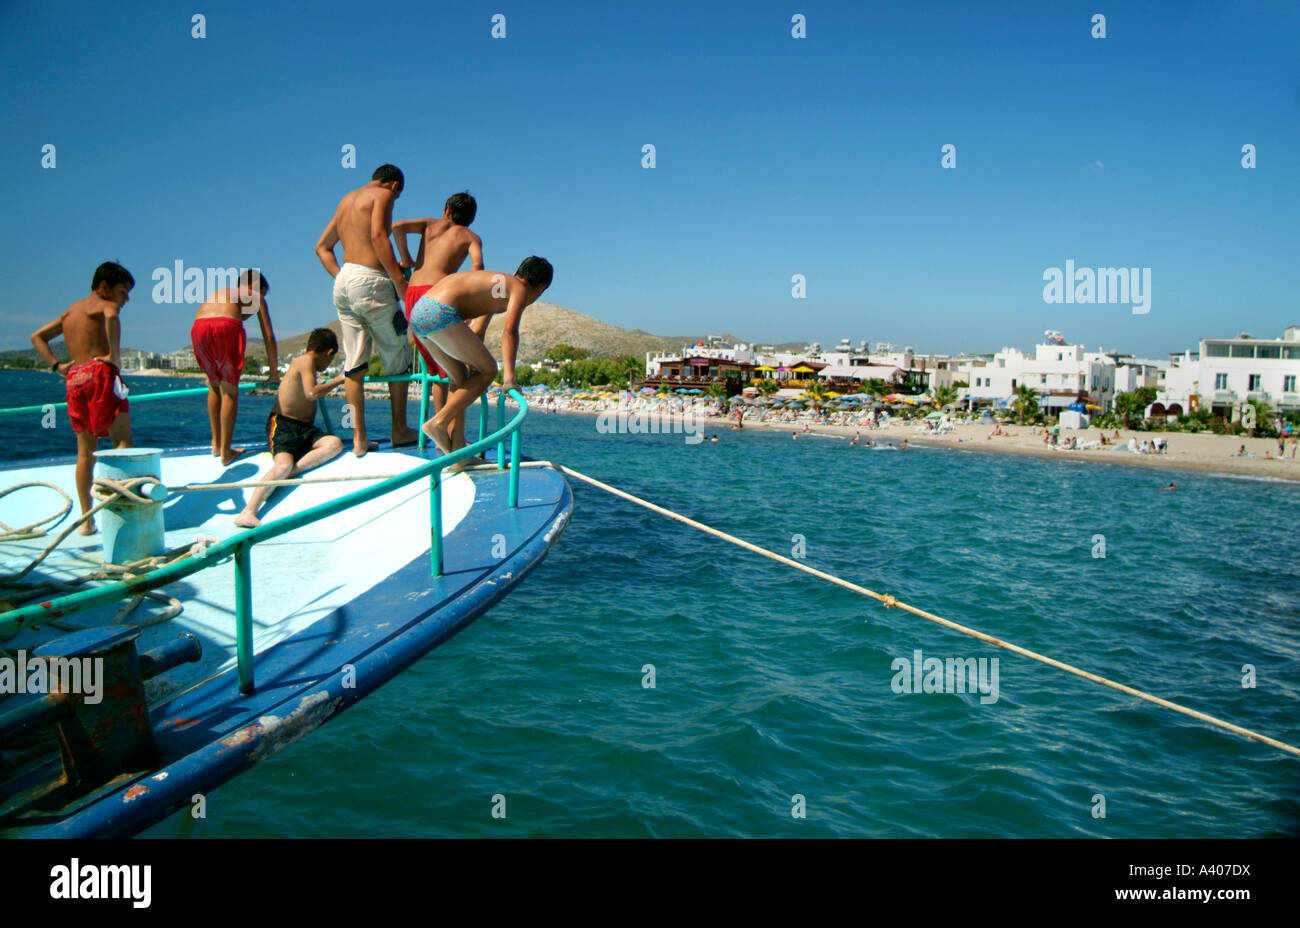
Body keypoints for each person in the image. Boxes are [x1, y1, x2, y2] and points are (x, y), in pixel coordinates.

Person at [315, 164, 418, 456]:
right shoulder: (382, 195)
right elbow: (378, 237)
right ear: (394, 185)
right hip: (371, 280)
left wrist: (345, 278)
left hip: (345, 280)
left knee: (354, 363)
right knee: (398, 354)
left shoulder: (345, 201)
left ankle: (359, 438)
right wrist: (398, 281)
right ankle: (399, 429)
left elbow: (322, 247)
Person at [408, 258, 553, 459]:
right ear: (541, 288)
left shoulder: (498, 285)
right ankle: (439, 422)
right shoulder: (519, 288)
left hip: (419, 314)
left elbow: (477, 330)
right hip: (440, 313)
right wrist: (509, 379)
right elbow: (510, 333)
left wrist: (472, 368)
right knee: (490, 370)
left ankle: (457, 454)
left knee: (460, 376)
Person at [29, 262, 135, 534]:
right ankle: (122, 504)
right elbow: (111, 315)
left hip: (75, 377)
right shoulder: (104, 305)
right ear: (104, 288)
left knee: (85, 452)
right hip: (101, 373)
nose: (126, 299)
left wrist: (56, 365)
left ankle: (87, 521)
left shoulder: (70, 312)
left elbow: (37, 336)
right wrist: (114, 357)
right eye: (123, 291)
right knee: (121, 441)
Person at [393, 192, 485, 453]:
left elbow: (396, 227)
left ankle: (441, 431)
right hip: (438, 295)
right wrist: (470, 301)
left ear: (447, 210)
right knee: (458, 371)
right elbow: (477, 266)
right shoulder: (470, 237)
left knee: (438, 371)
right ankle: (452, 435)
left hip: (412, 295)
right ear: (470, 219)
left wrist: (406, 259)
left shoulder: (430, 224)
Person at [233, 329, 345, 528]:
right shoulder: (305, 360)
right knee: (281, 466)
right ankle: (249, 510)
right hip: (283, 425)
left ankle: (291, 471)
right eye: (330, 360)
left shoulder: (307, 364)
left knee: (334, 444)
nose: (327, 365)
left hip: (304, 428)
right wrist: (339, 380)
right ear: (328, 353)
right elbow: (311, 393)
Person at [191, 269, 279, 465]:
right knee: (229, 390)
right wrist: (274, 372)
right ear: (256, 287)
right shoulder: (255, 295)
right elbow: (269, 336)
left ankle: (216, 443)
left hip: (199, 326)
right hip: (226, 326)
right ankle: (226, 452)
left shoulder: (222, 293)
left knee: (214, 385)